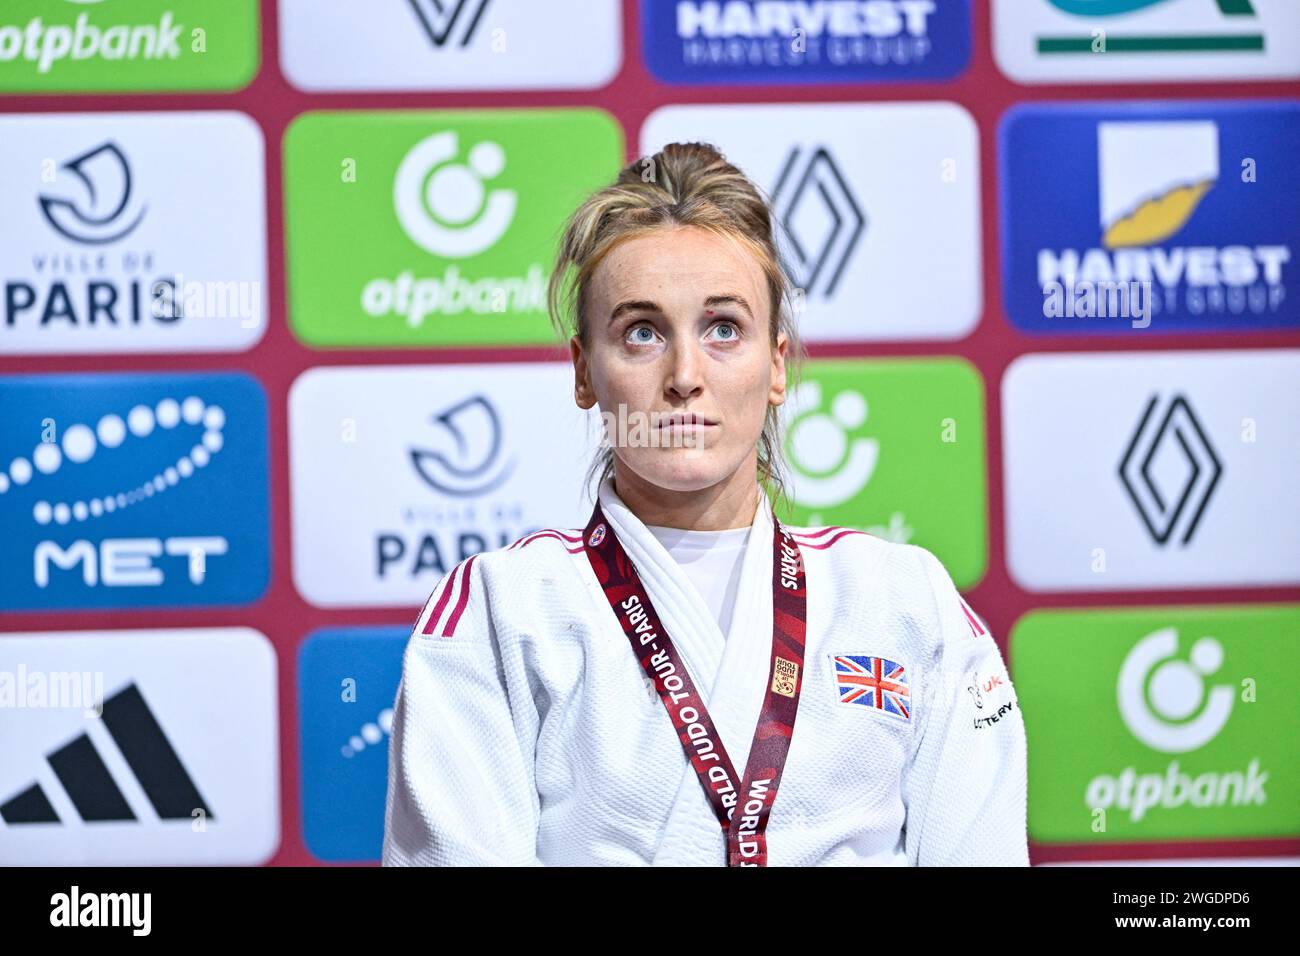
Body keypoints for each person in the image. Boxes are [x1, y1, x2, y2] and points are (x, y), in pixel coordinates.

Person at [382, 142, 1029, 867]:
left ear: (777, 364)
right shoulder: (503, 609)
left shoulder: (904, 599)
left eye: (724, 328)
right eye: (642, 332)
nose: (685, 375)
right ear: (584, 371)